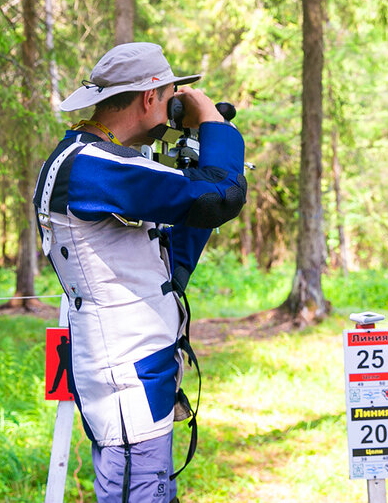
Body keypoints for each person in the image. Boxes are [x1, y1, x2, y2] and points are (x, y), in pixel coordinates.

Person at [33, 42, 246, 503]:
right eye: (171, 95)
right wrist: (213, 121)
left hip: (140, 375)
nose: (174, 106)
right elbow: (222, 196)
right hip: (127, 386)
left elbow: (165, 267)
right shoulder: (93, 167)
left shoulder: (102, 160)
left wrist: (191, 163)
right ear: (151, 97)